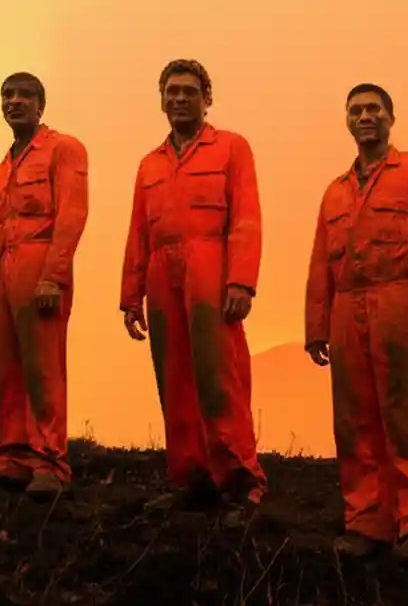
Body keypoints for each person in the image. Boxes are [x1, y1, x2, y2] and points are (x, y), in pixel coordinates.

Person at [303, 83, 408, 564]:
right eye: (356, 110)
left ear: (391, 117)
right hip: (347, 308)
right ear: (347, 121)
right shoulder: (335, 191)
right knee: (354, 421)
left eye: (374, 109)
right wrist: (316, 324)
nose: (365, 116)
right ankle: (367, 522)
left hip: (399, 301)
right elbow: (320, 263)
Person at [120, 59, 267, 524]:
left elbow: (246, 217)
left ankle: (241, 481)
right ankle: (192, 479)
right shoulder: (149, 164)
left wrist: (241, 280)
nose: (179, 99)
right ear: (161, 99)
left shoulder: (231, 149)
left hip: (211, 266)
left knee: (220, 375)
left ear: (207, 98)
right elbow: (137, 233)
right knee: (175, 377)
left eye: (189, 91)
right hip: (162, 274)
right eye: (171, 92)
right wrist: (130, 295)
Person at [0, 72, 89, 499]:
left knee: (43, 366)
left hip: (40, 263)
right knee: (2, 367)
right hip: (3, 268)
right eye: (7, 95)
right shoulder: (3, 167)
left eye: (24, 95)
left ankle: (50, 461)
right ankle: (11, 456)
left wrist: (53, 276)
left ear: (41, 105)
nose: (14, 102)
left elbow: (72, 216)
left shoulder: (64, 148)